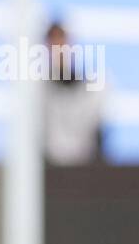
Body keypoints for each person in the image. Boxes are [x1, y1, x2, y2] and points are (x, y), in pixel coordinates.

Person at [42, 20, 107, 165]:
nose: (59, 48)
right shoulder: (38, 91)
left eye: (62, 42)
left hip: (86, 170)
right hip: (49, 169)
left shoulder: (93, 88)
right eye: (54, 43)